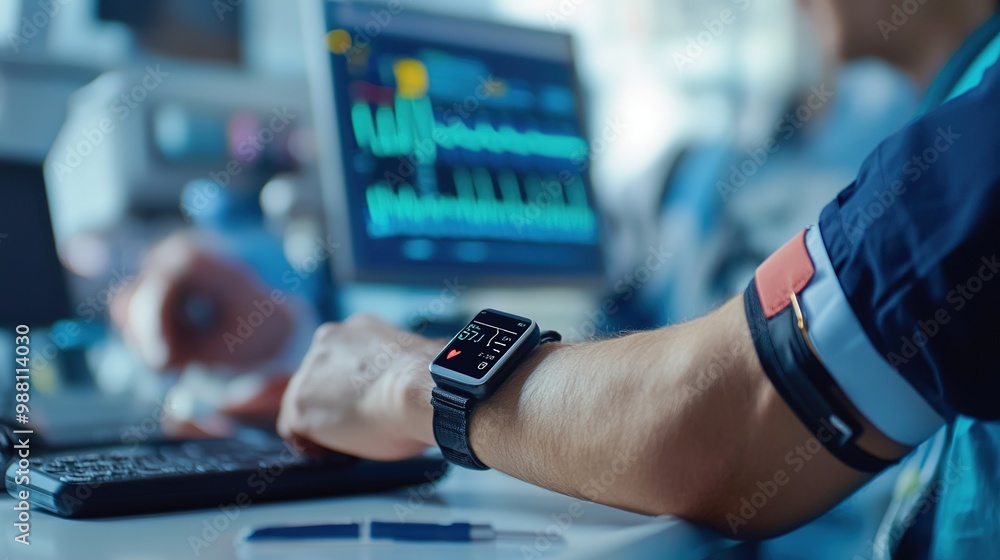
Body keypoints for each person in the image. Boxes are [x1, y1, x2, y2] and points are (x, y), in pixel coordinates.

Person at [276, 2, 1000, 557]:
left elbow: (721, 417)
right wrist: (288, 334)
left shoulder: (976, 158)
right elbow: (641, 332)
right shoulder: (893, 130)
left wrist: (407, 381)